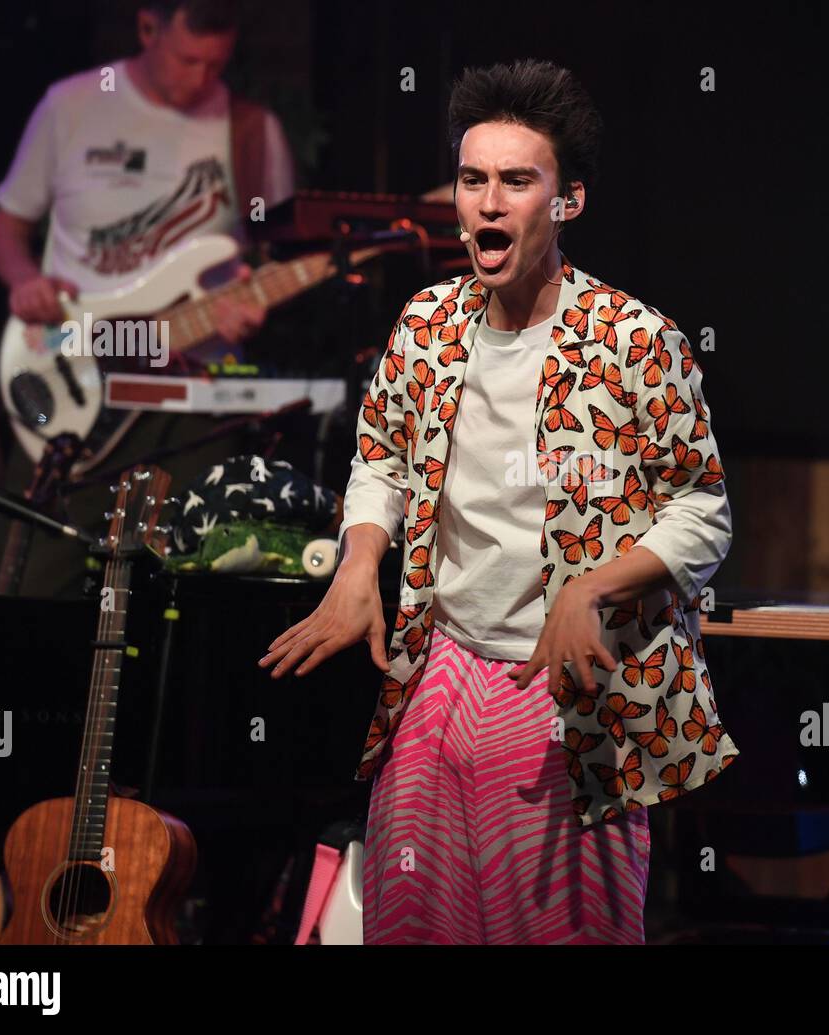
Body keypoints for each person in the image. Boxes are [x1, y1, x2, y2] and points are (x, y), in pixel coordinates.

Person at [261, 58, 739, 945]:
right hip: (441, 669)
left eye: (517, 180)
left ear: (567, 202)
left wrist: (589, 590)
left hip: (566, 691)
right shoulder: (428, 324)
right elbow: (382, 462)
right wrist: (361, 561)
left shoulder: (634, 339)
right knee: (411, 922)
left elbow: (702, 510)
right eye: (473, 178)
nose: (487, 201)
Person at [0, 0, 295, 597]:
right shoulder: (71, 104)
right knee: (27, 586)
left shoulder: (254, 130)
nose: (201, 80)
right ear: (147, 27)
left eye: (216, 64)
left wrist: (252, 304)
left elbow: (267, 259)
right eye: (186, 59)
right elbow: (5, 225)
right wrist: (25, 279)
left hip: (194, 398)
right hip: (74, 373)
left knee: (184, 591)